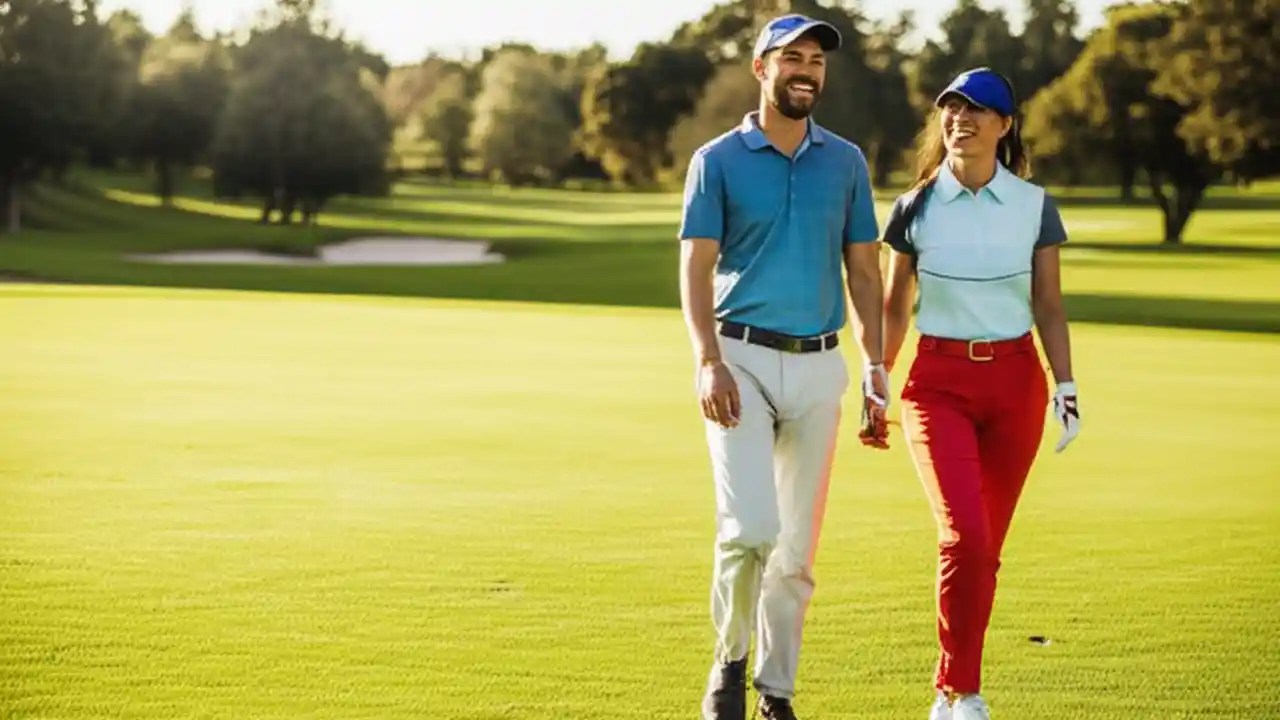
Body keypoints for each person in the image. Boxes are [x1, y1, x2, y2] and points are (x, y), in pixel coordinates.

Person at [677, 13, 890, 720]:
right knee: (751, 530)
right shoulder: (717, 159)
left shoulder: (846, 162)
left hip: (819, 365)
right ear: (761, 68)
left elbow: (865, 271)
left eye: (816, 61)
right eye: (791, 57)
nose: (806, 70)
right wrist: (708, 361)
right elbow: (696, 266)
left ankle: (776, 692)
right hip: (738, 358)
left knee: (796, 551)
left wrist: (876, 362)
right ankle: (730, 659)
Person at [878, 67, 1082, 720]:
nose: (960, 118)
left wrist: (1066, 384)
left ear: (1004, 124)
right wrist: (876, 379)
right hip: (937, 386)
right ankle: (961, 692)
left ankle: (953, 690)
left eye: (976, 109)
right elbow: (894, 306)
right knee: (963, 536)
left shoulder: (1034, 206)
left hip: (1016, 383)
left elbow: (1048, 304)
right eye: (951, 107)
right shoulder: (913, 207)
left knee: (986, 548)